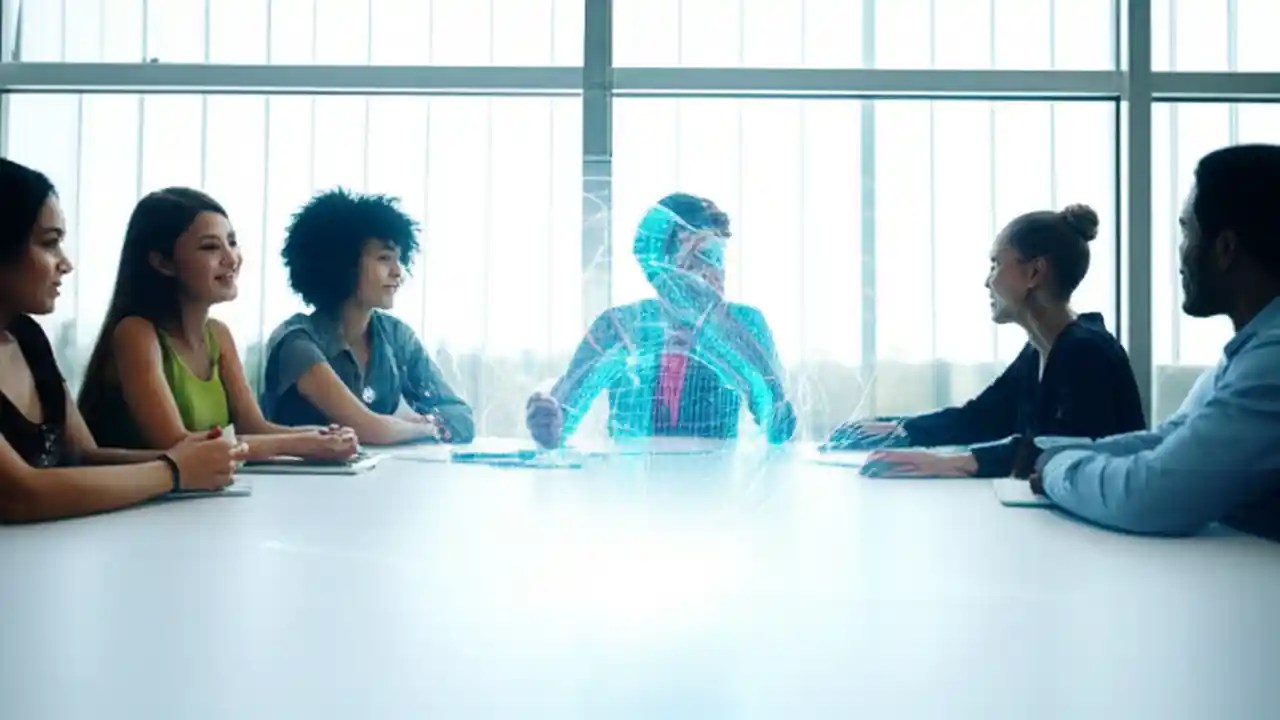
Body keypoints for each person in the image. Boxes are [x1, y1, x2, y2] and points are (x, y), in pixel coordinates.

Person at [1022, 145, 1280, 540]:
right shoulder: (1250, 353)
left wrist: (1057, 468)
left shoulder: (1272, 360)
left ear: (1225, 249)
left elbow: (1153, 495)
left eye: (1186, 231)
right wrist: (1060, 452)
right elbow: (1173, 438)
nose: (1180, 255)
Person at [0, 159, 245, 523]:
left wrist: (191, 458)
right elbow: (18, 494)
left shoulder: (27, 336)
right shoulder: (137, 332)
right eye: (49, 244)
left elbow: (84, 455)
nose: (65, 263)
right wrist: (173, 471)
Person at [825, 204, 1145, 479]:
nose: (987, 281)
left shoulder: (1085, 352)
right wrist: (901, 429)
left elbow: (1062, 450)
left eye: (996, 264)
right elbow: (981, 418)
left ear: (1034, 273)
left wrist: (951, 463)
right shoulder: (1042, 350)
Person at [78, 188, 359, 462]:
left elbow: (254, 428)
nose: (231, 258)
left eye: (232, 242)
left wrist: (323, 434)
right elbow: (180, 447)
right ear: (163, 263)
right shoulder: (136, 334)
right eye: (211, 247)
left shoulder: (218, 334)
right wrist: (304, 443)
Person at [526, 192, 796, 448]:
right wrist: (546, 423)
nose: (713, 271)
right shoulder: (620, 326)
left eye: (718, 258)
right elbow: (561, 422)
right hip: (627, 488)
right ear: (662, 262)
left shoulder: (744, 324)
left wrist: (717, 332)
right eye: (702, 256)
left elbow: (779, 428)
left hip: (719, 487)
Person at [260, 189, 474, 445]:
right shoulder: (296, 342)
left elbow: (461, 418)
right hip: (298, 482)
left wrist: (414, 425)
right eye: (384, 258)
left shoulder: (396, 337)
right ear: (341, 264)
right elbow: (368, 429)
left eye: (399, 259)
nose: (398, 272)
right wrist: (425, 428)